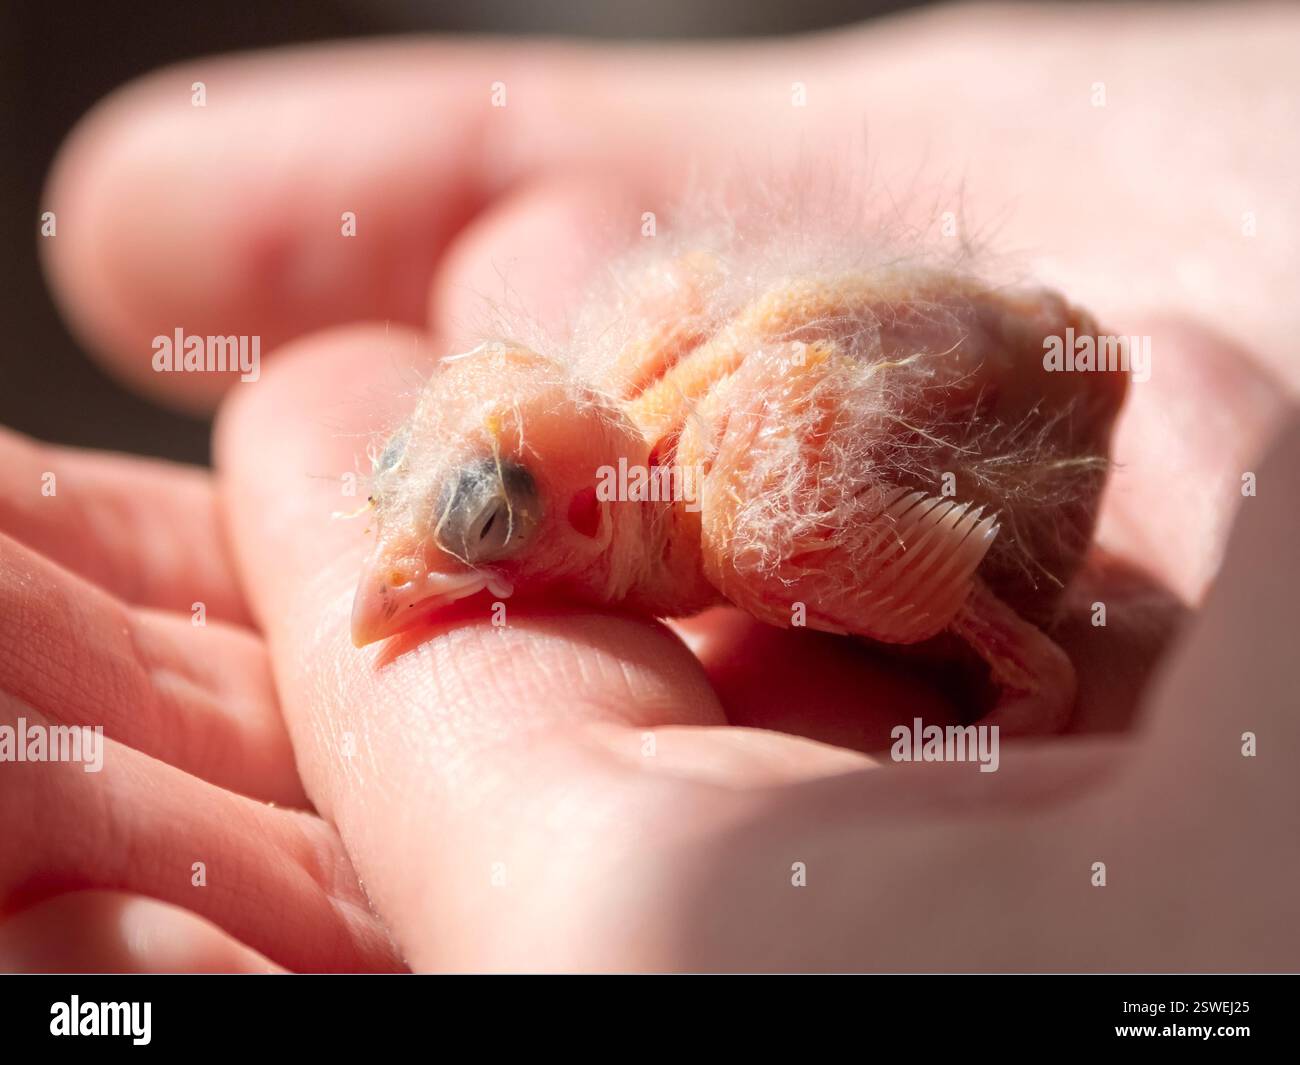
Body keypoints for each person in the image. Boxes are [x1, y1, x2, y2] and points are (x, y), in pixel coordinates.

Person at [2, 1, 1297, 971]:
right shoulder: (632, 381)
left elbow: (1021, 597)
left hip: (1040, 432)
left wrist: (992, 725)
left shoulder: (759, 517)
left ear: (579, 510)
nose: (396, 584)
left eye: (491, 521)